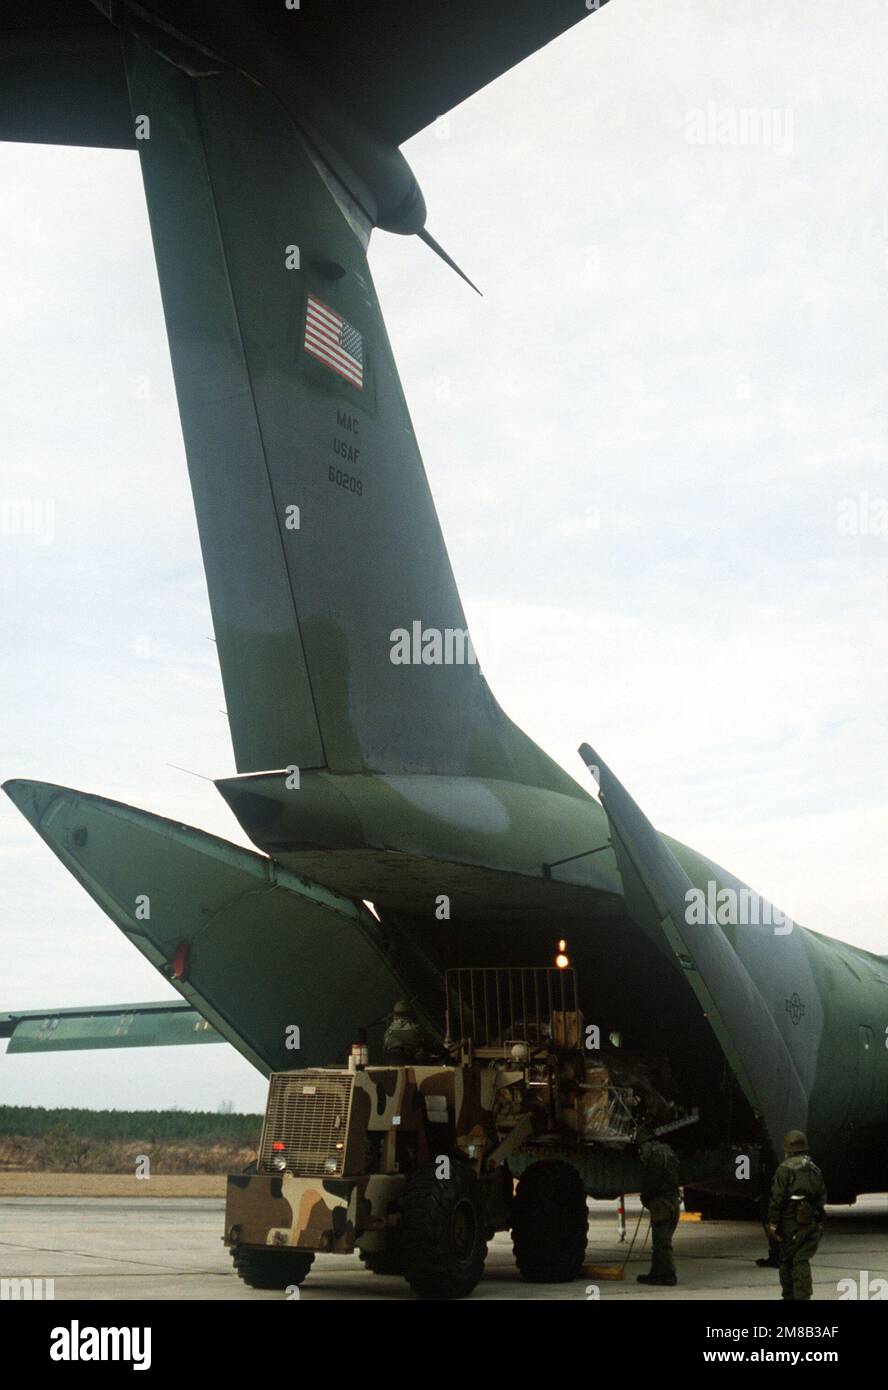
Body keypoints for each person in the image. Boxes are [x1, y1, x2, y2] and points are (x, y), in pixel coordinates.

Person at [766, 1130, 827, 1301]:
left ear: (787, 1149)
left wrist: (772, 1223)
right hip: (810, 1222)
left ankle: (792, 1297)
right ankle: (801, 1297)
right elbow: (821, 1196)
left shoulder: (784, 1170)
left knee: (789, 1261)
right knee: (801, 1259)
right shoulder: (814, 1168)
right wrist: (818, 1219)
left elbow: (777, 1199)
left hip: (790, 1223)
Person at [636, 1126, 681, 1286]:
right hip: (673, 1201)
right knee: (661, 1242)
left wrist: (645, 1197)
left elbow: (652, 1181)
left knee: (662, 1243)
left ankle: (668, 1275)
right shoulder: (669, 1152)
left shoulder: (655, 1157)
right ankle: (656, 1273)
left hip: (661, 1203)